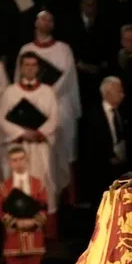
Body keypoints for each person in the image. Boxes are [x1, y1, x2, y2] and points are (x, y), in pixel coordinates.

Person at [15, 11, 80, 205]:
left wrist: (46, 92)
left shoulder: (63, 49)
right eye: (41, 18)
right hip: (33, 107)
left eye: (49, 19)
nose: (45, 22)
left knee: (65, 152)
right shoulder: (25, 49)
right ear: (35, 23)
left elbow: (67, 76)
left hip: (60, 106)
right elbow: (19, 78)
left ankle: (70, 199)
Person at [0, 54, 59, 209]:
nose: (30, 68)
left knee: (42, 181)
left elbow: (54, 118)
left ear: (38, 68)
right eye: (26, 65)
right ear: (21, 68)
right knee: (16, 183)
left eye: (33, 65)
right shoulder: (10, 91)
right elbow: (1, 120)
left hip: (38, 146)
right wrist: (22, 133)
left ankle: (42, 223)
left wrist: (39, 133)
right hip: (18, 146)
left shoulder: (47, 91)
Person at [0, 147, 48, 264]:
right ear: (10, 163)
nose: (18, 163)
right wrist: (16, 223)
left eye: (21, 159)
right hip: (13, 239)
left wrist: (32, 222)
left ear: (27, 161)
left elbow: (44, 207)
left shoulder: (38, 184)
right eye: (14, 160)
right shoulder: (4, 187)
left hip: (34, 238)